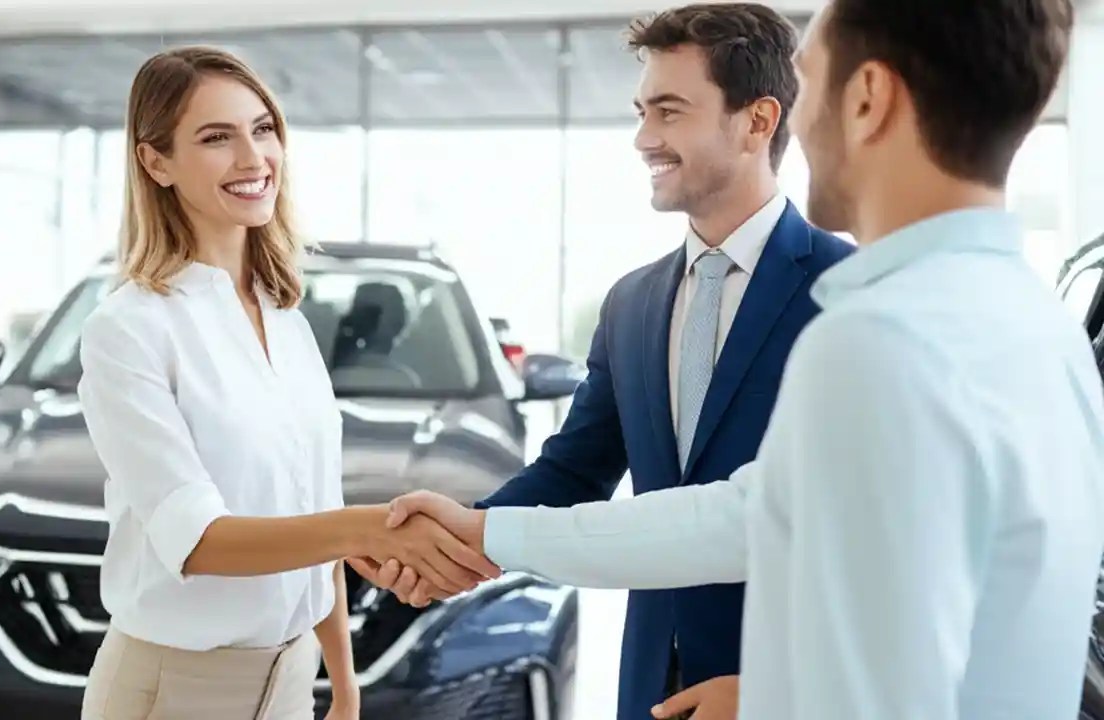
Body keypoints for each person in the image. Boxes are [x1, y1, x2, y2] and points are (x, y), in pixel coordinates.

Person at [365, 1, 1104, 719]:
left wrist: (772, 700)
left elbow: (890, 657)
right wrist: (482, 533)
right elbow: (752, 517)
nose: (801, 118)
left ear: (868, 97)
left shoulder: (876, 334)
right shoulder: (1046, 330)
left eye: (809, 81)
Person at [351, 5, 854, 719]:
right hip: (651, 685)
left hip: (790, 686)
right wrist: (462, 541)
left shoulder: (848, 296)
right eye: (642, 111)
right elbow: (575, 472)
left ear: (757, 121)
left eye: (671, 111)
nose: (645, 138)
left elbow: (867, 543)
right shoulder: (633, 304)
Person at [76, 47, 498, 720]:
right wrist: (373, 530)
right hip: (175, 691)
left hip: (293, 680)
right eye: (217, 138)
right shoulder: (129, 329)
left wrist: (343, 681)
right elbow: (200, 540)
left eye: (263, 128)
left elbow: (308, 511)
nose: (253, 158)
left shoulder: (285, 319)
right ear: (156, 163)